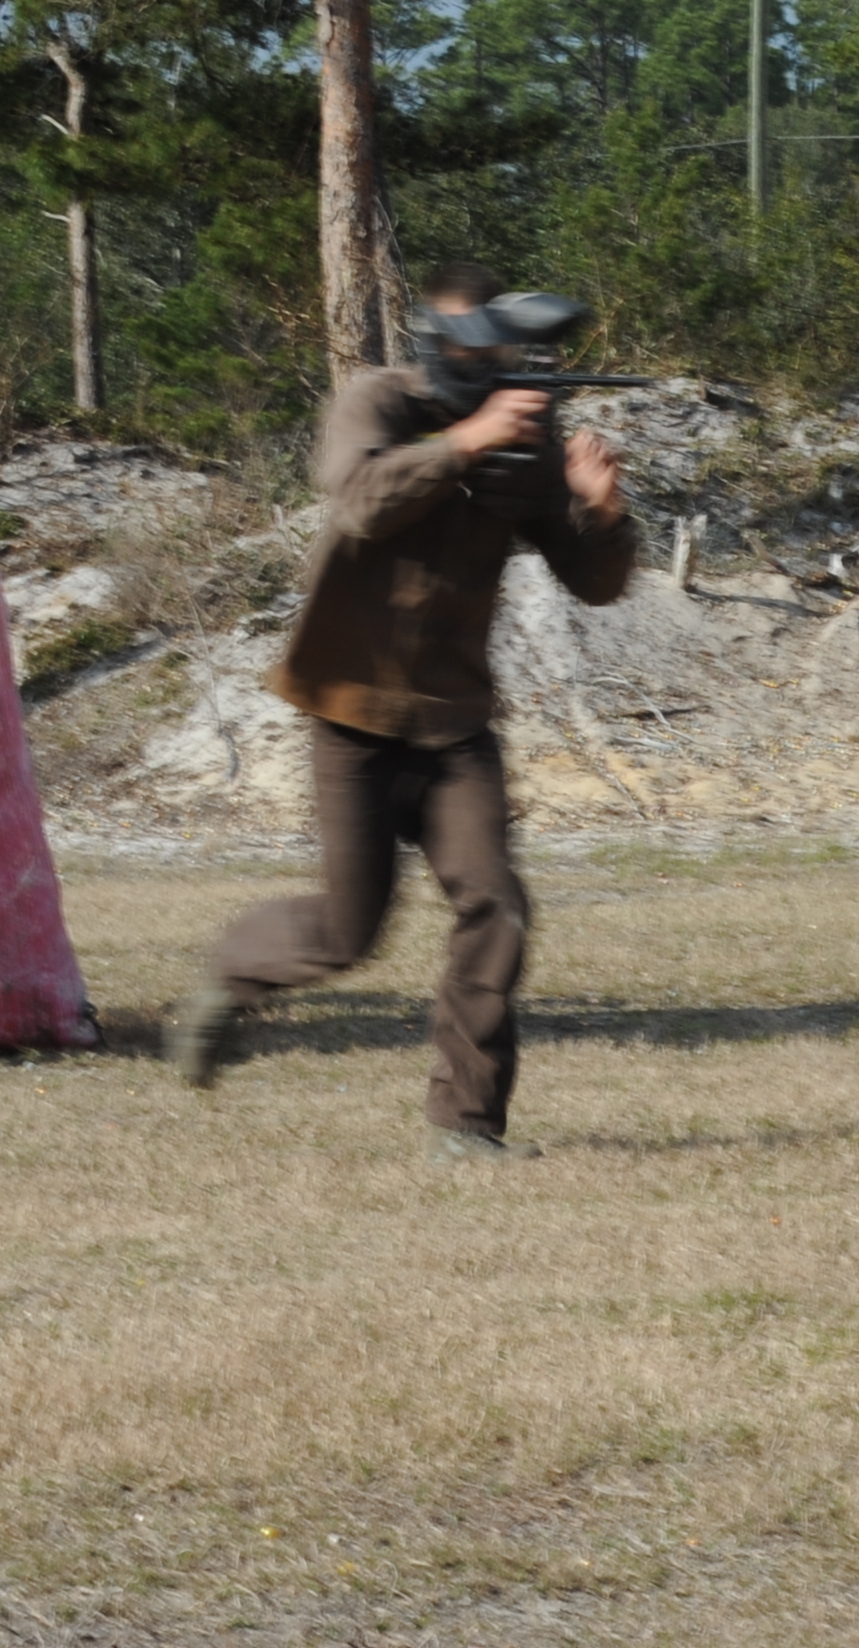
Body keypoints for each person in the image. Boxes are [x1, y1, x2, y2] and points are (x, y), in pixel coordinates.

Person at [165, 269, 635, 1156]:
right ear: (434, 345)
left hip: (453, 724)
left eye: (492, 349)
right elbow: (360, 503)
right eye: (461, 346)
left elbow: (594, 582)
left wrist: (601, 509)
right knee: (349, 932)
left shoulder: (527, 441)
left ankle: (464, 1125)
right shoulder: (375, 402)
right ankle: (233, 974)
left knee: (496, 903)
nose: (478, 361)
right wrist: (465, 442)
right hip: (349, 714)